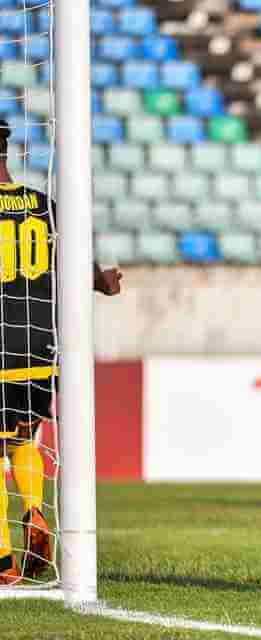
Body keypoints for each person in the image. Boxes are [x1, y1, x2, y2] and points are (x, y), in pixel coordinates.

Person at [0, 120, 121, 584]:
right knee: (22, 441)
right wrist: (102, 281)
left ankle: (5, 561)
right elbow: (75, 261)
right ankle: (34, 509)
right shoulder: (41, 204)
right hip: (38, 344)